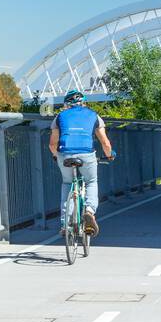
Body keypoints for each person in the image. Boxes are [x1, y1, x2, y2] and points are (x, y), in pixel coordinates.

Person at [49, 90, 113, 238]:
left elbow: (53, 144)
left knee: (67, 183)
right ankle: (89, 211)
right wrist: (109, 155)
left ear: (66, 104)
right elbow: (105, 142)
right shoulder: (93, 115)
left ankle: (66, 223)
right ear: (84, 102)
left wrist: (55, 156)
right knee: (91, 181)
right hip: (86, 154)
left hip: (64, 153)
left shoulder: (60, 116)